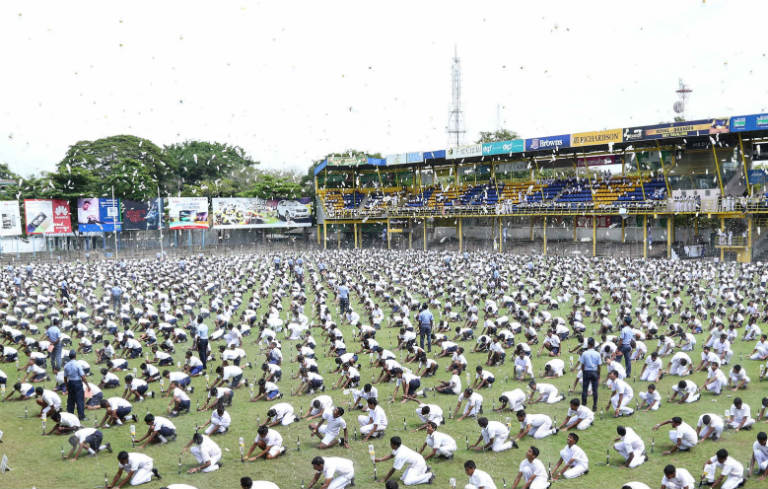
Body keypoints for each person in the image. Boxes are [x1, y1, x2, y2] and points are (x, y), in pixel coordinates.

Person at [63, 350, 89, 420]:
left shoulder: (66, 365)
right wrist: (87, 385)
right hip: (77, 382)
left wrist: (66, 386)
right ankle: (81, 416)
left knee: (70, 400)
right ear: (75, 356)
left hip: (70, 382)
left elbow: (65, 377)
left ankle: (70, 415)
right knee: (80, 400)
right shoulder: (78, 364)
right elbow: (83, 376)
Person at [579, 338, 601, 411]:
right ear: (594, 345)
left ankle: (584, 404)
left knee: (585, 390)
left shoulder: (585, 353)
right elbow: (599, 365)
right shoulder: (597, 354)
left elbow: (582, 364)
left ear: (588, 344)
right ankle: (594, 405)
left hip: (586, 371)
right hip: (594, 372)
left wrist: (583, 371)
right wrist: (598, 374)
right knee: (595, 390)